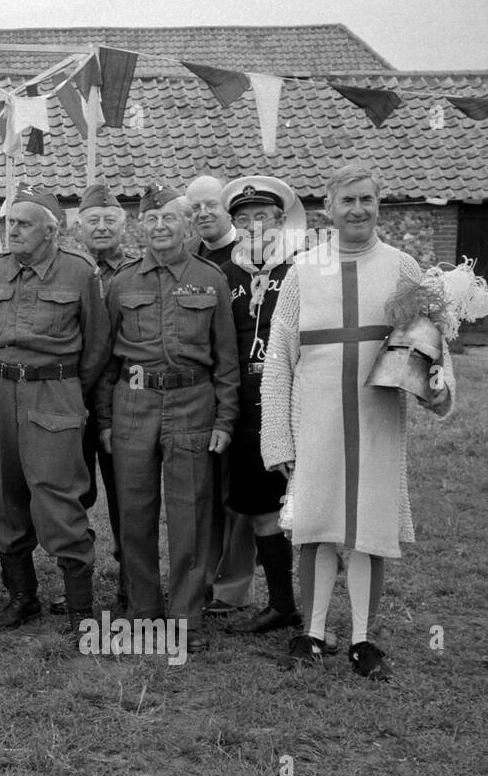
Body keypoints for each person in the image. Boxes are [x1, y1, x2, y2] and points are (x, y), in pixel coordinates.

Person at [261, 163, 455, 680]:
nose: (358, 210)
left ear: (378, 203)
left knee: (368, 526)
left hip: (377, 418)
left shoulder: (401, 267)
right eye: (347, 201)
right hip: (316, 416)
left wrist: (438, 385)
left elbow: (428, 339)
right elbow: (279, 356)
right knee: (316, 524)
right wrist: (277, 436)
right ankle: (312, 634)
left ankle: (364, 642)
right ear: (329, 207)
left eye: (367, 200)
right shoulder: (302, 271)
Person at [96, 182, 240, 653]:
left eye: (169, 219)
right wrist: (104, 421)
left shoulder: (210, 278)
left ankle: (184, 616)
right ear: (142, 226)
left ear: (186, 224)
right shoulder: (122, 282)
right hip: (132, 404)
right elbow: (105, 360)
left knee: (191, 513)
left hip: (193, 405)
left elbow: (226, 358)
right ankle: (143, 610)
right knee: (133, 512)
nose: (160, 227)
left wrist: (225, 421)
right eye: (152, 220)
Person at [0, 185, 111, 635]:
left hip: (53, 395)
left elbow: (96, 348)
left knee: (56, 498)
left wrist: (63, 387)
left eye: (24, 223)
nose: (13, 230)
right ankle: (22, 598)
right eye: (10, 222)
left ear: (52, 231)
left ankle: (79, 611)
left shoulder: (79, 273)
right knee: (3, 497)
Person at [218, 176, 304, 635]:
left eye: (264, 217)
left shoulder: (303, 269)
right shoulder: (224, 276)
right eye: (244, 218)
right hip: (245, 408)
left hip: (291, 403)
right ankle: (281, 604)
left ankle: (303, 606)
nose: (254, 225)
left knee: (305, 507)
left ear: (280, 221)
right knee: (258, 508)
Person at [187, 174, 256, 615]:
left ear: (226, 209)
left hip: (243, 387)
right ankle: (202, 579)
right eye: (195, 208)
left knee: (240, 493)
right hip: (195, 394)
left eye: (211, 205)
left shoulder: (250, 255)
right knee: (203, 493)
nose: (203, 214)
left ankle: (233, 586)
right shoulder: (188, 257)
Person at [73, 183, 128, 603]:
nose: (102, 227)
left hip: (123, 400)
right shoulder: (66, 269)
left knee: (128, 492)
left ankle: (133, 579)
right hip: (71, 395)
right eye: (94, 220)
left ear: (125, 226)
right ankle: (80, 579)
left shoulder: (137, 273)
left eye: (110, 219)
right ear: (78, 227)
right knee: (74, 491)